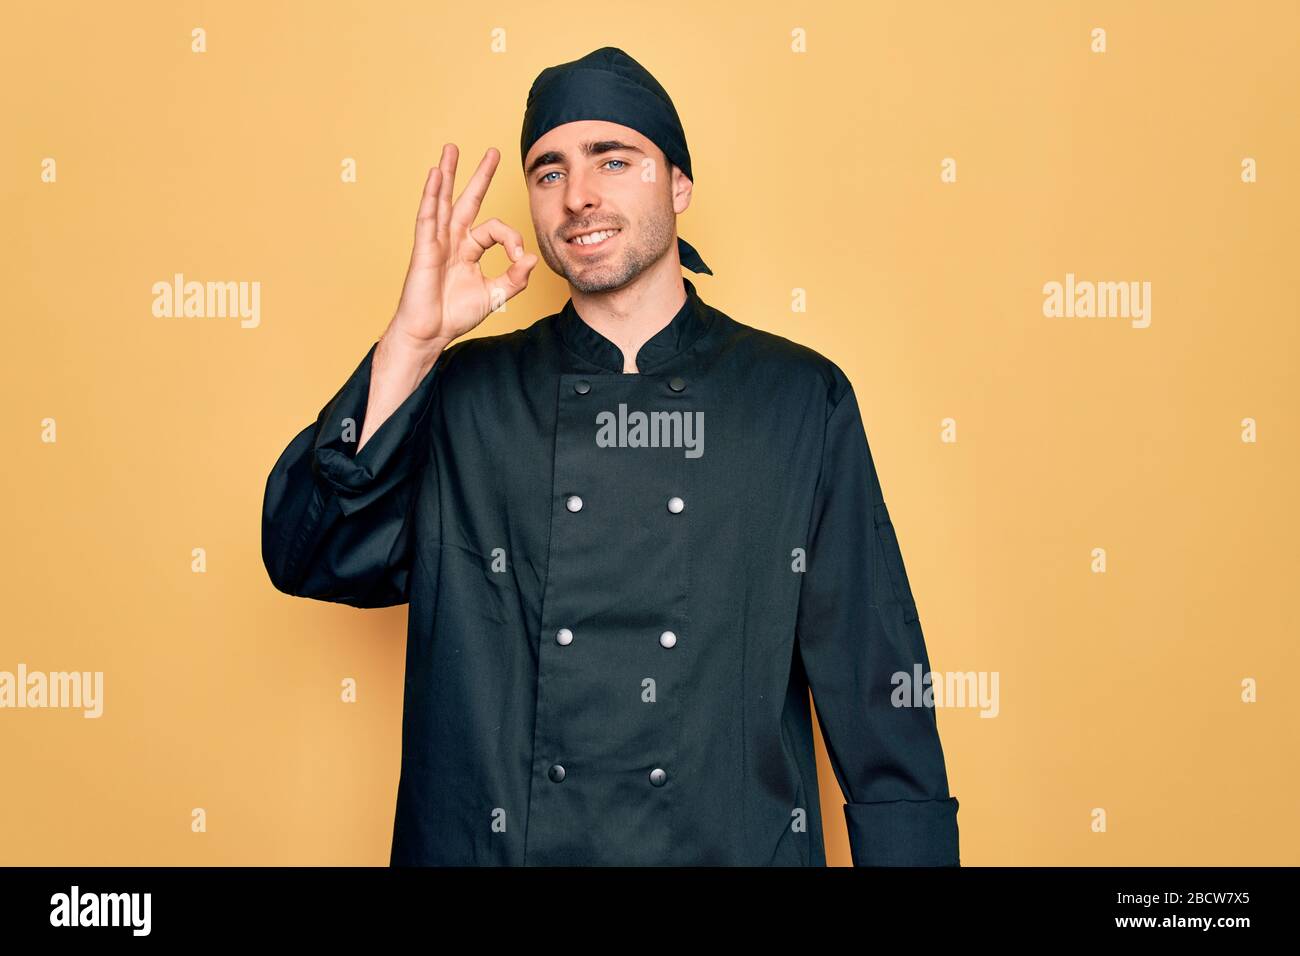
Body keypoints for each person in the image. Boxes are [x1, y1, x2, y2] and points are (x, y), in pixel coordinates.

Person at [261, 46, 960, 866]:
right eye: (548, 172)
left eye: (614, 159)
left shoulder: (798, 399)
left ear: (679, 186)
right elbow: (310, 556)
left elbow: (876, 683)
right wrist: (412, 343)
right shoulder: (463, 394)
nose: (579, 195)